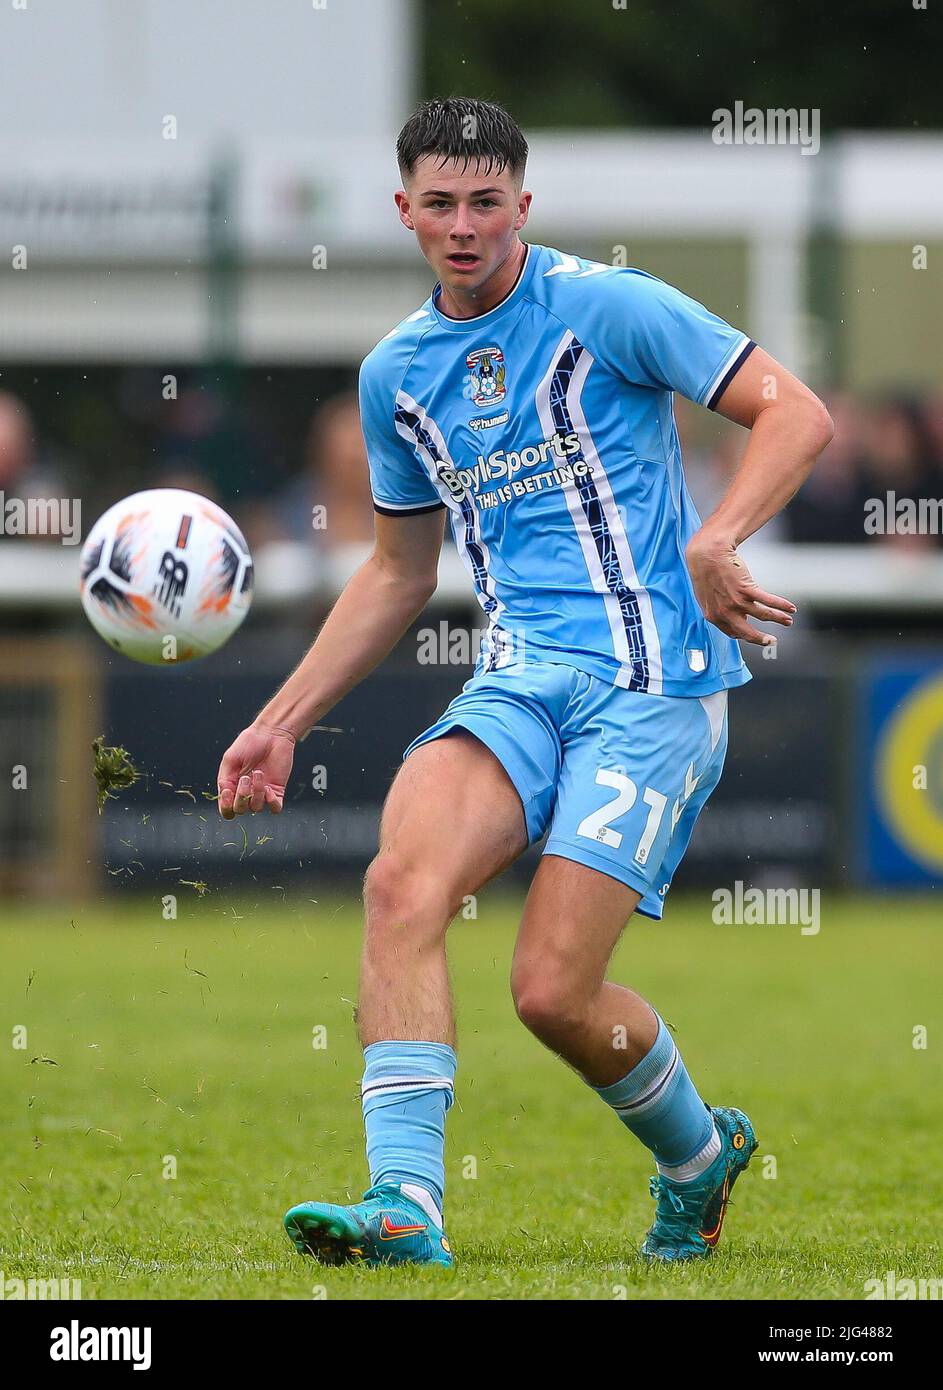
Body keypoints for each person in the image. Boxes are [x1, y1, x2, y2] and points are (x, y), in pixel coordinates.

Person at [216, 98, 833, 1269]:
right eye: (439, 204)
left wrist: (720, 537)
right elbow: (399, 573)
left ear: (523, 206)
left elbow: (795, 413)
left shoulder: (607, 304)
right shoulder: (396, 372)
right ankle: (404, 1200)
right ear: (404, 211)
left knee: (550, 991)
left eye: (485, 203)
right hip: (517, 679)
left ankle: (699, 1159)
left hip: (652, 684)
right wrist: (279, 718)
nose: (463, 226)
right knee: (401, 884)